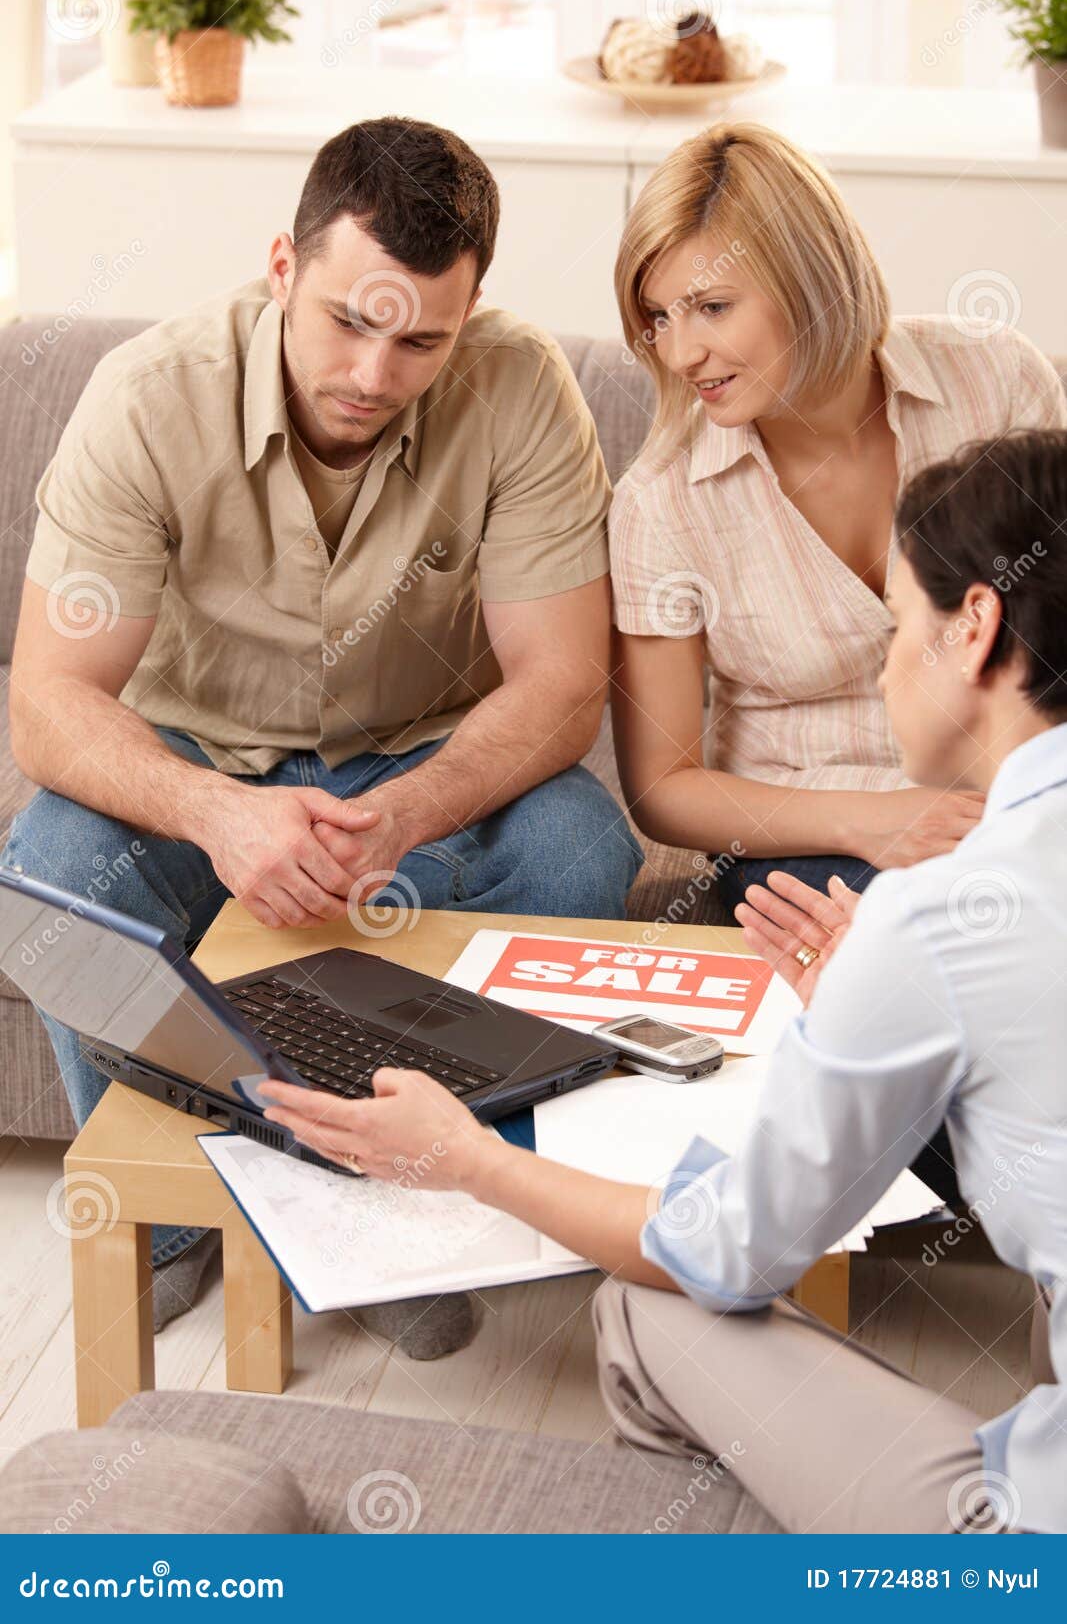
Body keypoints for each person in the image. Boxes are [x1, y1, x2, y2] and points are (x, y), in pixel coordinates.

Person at [258, 428, 1067, 1534]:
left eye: (894, 626)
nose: (884, 668)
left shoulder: (934, 917)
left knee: (649, 1312)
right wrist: (881, 1015)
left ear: (972, 627)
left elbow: (727, 1258)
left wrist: (466, 1159)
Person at [3, 115, 642, 1349]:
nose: (373, 371)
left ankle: (422, 1216)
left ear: (468, 316)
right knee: (53, 874)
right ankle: (191, 1219)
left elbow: (561, 687)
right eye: (349, 320)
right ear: (282, 268)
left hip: (416, 779)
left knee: (577, 852)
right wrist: (218, 814)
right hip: (195, 772)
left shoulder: (520, 390)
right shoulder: (146, 398)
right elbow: (49, 703)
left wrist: (404, 811)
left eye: (419, 342)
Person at [607, 121, 1067, 914]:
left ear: (810, 279)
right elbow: (662, 787)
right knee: (946, 931)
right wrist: (870, 822)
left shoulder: (994, 378)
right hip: (811, 839)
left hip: (1018, 805)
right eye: (658, 317)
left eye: (711, 307)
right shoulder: (661, 500)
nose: (680, 353)